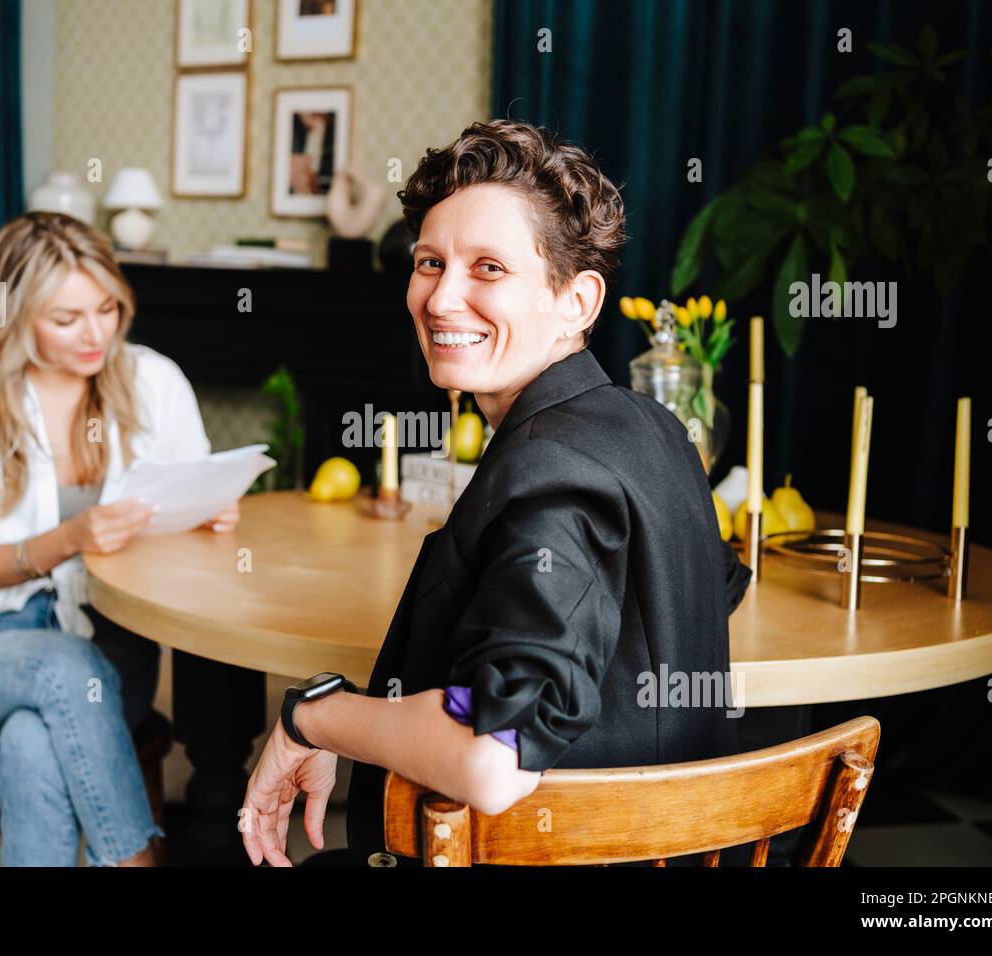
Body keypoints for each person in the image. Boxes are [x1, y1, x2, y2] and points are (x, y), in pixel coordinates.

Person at [240, 119, 752, 867]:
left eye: (487, 268)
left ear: (577, 301)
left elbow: (491, 750)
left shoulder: (550, 472)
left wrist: (310, 717)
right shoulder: (654, 426)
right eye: (429, 262)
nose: (442, 298)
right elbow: (709, 587)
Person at [0, 211, 240, 866]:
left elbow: (189, 512)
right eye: (66, 320)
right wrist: (70, 537)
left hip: (112, 642)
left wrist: (204, 516)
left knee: (32, 743)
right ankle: (137, 861)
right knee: (65, 667)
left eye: (107, 308)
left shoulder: (154, 383)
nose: (97, 335)